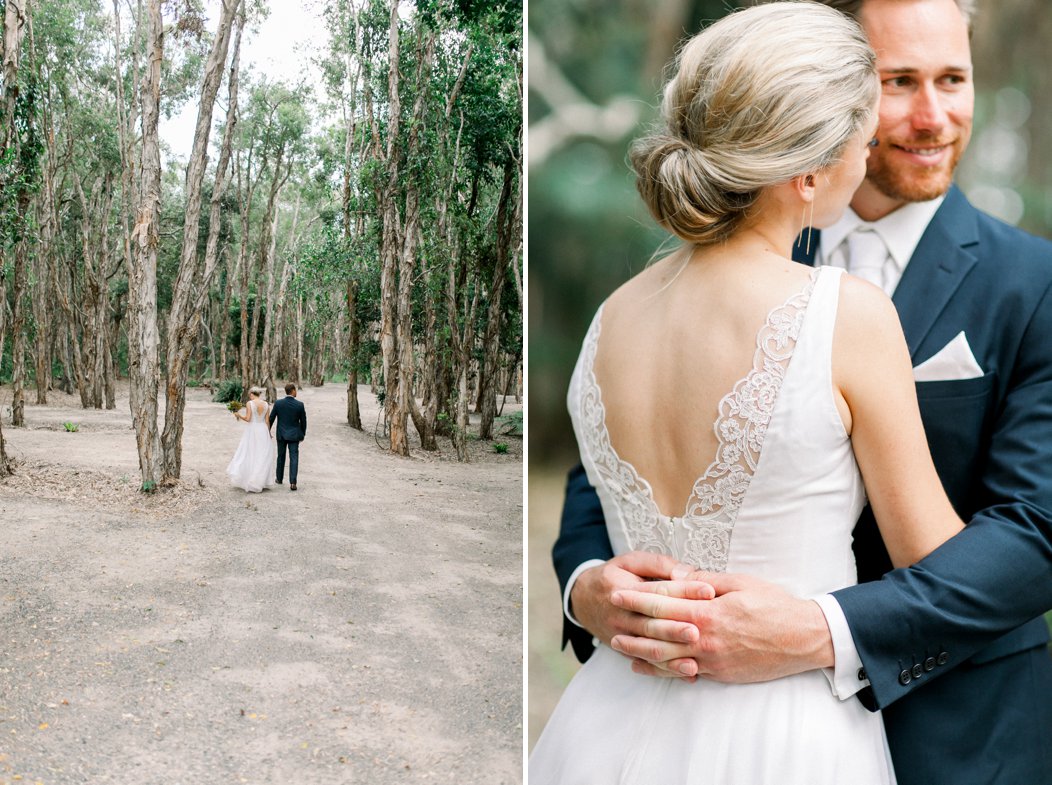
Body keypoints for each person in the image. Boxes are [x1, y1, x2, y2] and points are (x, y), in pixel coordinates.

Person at [551, 0, 1052, 783]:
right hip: (790, 737)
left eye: (954, 78)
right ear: (812, 152)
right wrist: (587, 588)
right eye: (889, 87)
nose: (929, 115)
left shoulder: (615, 312)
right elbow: (595, 485)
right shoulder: (845, 308)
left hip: (620, 726)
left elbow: (1035, 531)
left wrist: (825, 624)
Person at [226, 386, 277, 493]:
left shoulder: (250, 403)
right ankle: (260, 481)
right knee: (262, 454)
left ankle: (251, 480)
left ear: (251, 394)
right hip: (263, 430)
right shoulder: (266, 404)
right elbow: (267, 421)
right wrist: (269, 433)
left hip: (253, 430)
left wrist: (238, 415)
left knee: (249, 453)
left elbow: (248, 419)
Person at [268, 383, 307, 491]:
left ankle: (279, 479)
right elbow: (303, 421)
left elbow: (271, 418)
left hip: (281, 434)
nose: (296, 392)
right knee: (294, 457)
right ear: (293, 390)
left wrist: (267, 431)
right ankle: (293, 482)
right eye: (296, 390)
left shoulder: (278, 403)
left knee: (281, 456)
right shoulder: (299, 405)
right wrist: (302, 434)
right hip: (294, 436)